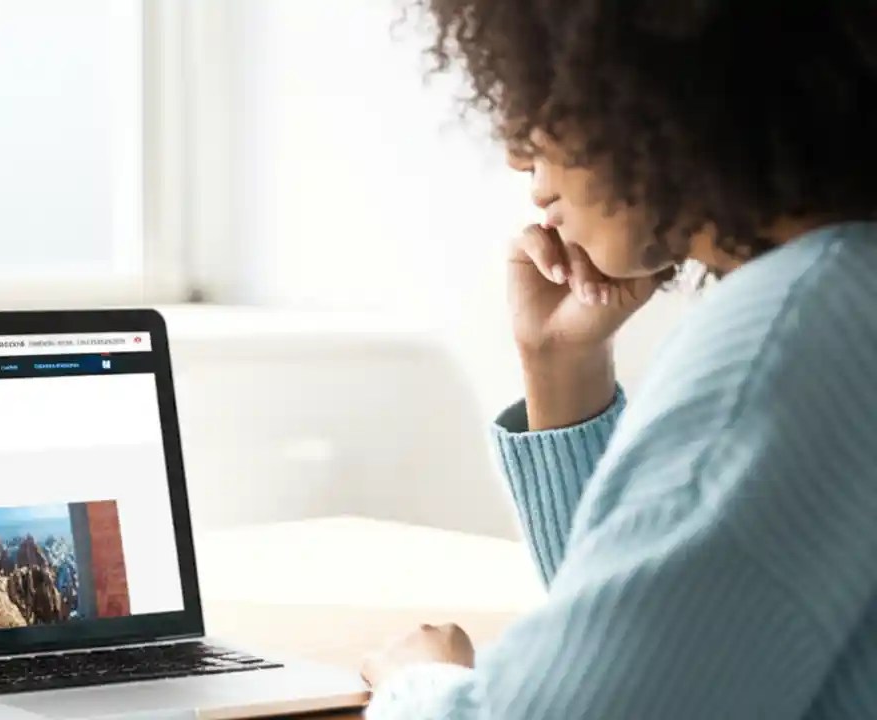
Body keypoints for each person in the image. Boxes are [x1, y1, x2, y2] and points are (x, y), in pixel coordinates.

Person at [360, 1, 877, 717]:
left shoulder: (790, 336)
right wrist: (562, 367)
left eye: (544, 87)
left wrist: (414, 685)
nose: (516, 149)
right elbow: (636, 648)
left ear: (651, 75)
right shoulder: (846, 293)